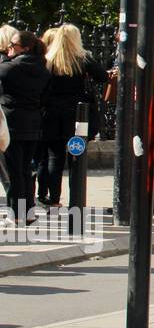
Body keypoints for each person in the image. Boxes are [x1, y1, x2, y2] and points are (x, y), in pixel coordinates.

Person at [36, 25, 109, 208]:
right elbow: (102, 77)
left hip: (51, 113)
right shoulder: (82, 58)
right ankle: (75, 200)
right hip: (77, 114)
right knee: (77, 156)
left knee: (55, 156)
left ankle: (53, 199)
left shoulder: (48, 59)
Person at [0, 31, 51, 223]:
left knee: (13, 171)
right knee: (25, 169)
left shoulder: (9, 68)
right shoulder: (43, 70)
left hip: (11, 123)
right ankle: (28, 212)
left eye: (13, 45)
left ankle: (16, 213)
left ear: (25, 48)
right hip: (33, 122)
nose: (9, 48)